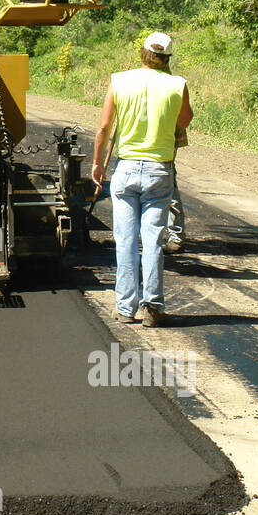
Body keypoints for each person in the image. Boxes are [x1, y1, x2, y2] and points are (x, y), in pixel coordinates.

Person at [92, 32, 193, 327]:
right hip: (159, 171)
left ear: (143, 53)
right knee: (152, 241)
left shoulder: (120, 80)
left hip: (125, 170)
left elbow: (103, 127)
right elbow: (184, 121)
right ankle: (152, 307)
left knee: (124, 241)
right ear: (167, 58)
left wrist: (97, 164)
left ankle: (125, 308)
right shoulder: (178, 85)